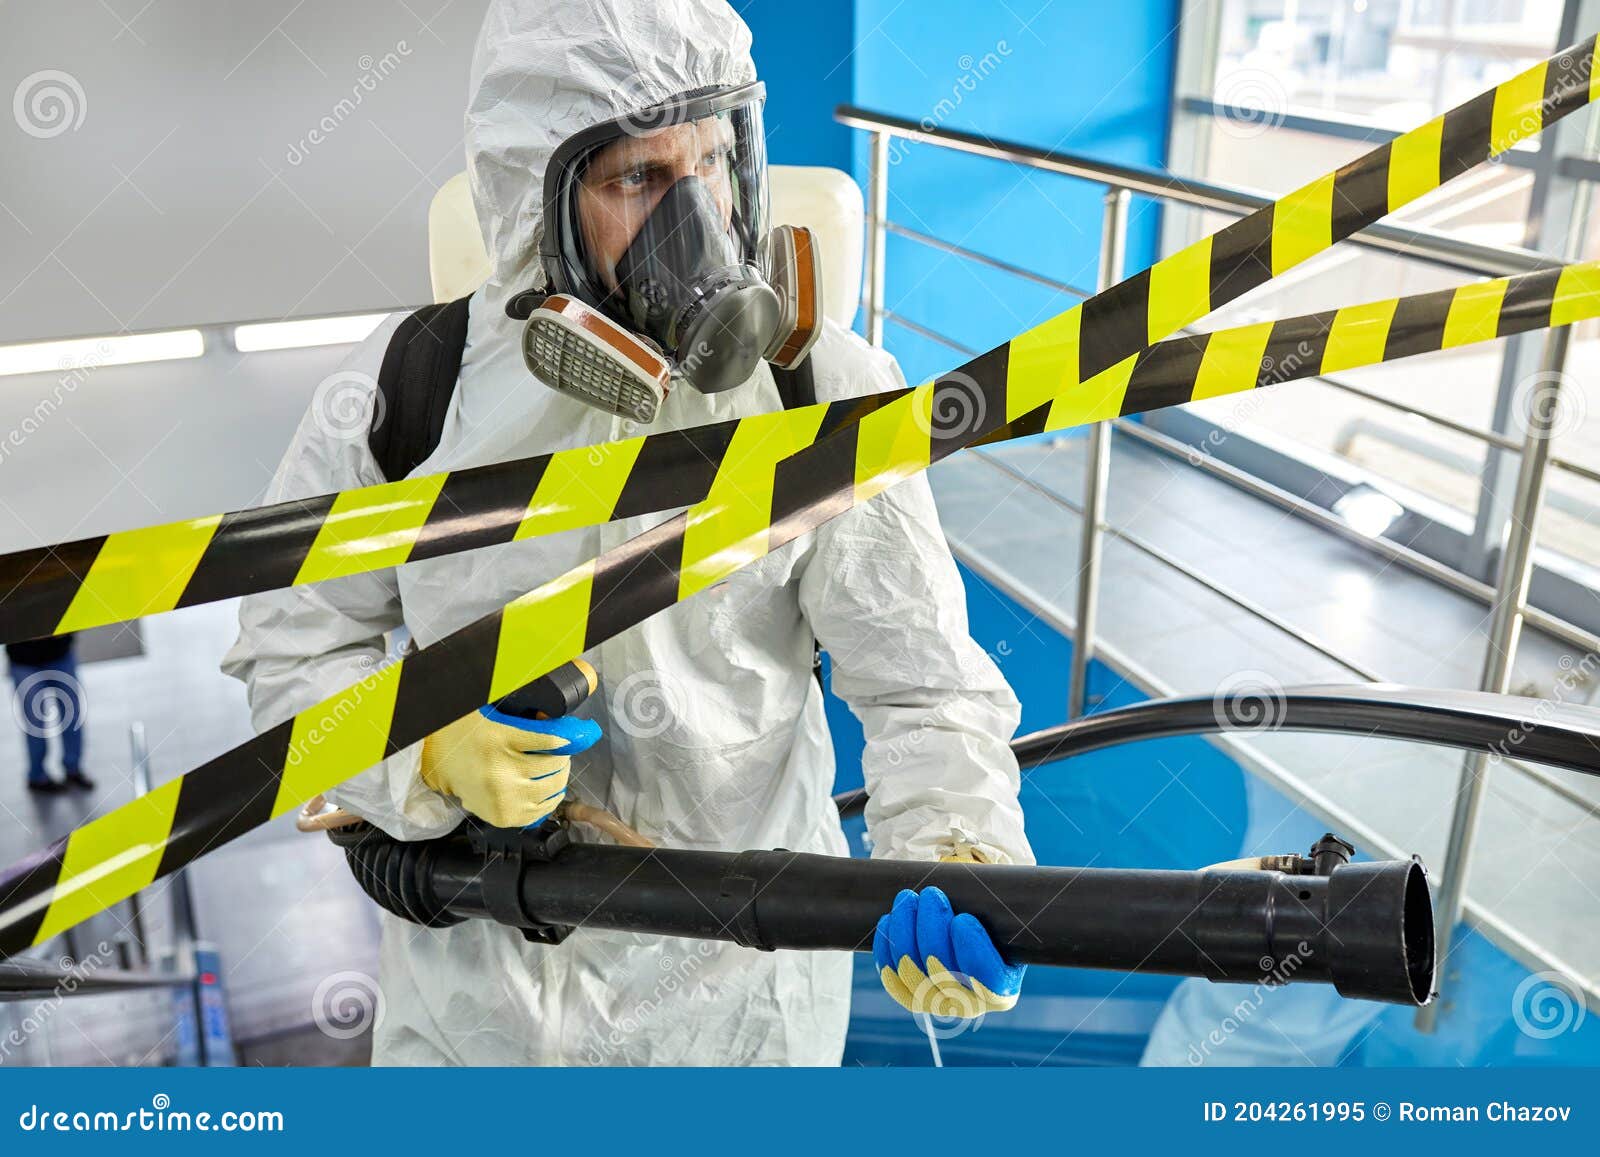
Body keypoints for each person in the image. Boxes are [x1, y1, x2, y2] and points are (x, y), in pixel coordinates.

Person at [223, 0, 1031, 1066]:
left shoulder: (817, 393)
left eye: (710, 160)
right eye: (637, 181)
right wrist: (421, 751)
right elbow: (289, 648)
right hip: (478, 1012)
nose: (691, 220)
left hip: (738, 1007)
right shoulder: (402, 393)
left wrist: (956, 852)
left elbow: (922, 681)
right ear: (532, 201)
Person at [5, 633, 92, 793]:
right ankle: (37, 776)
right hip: (23, 660)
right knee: (35, 722)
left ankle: (73, 768)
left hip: (60, 653)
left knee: (71, 715)